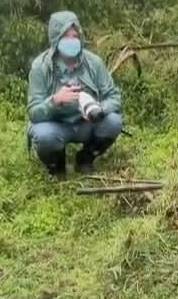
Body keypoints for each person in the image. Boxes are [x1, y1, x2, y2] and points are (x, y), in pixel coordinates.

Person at [27, 10, 123, 178]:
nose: (71, 41)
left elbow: (113, 97)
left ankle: (86, 157)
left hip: (86, 123)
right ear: (56, 39)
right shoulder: (40, 67)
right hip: (56, 125)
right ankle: (57, 165)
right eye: (65, 36)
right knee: (44, 136)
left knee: (113, 122)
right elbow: (34, 113)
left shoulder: (93, 63)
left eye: (75, 36)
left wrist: (99, 109)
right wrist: (54, 101)